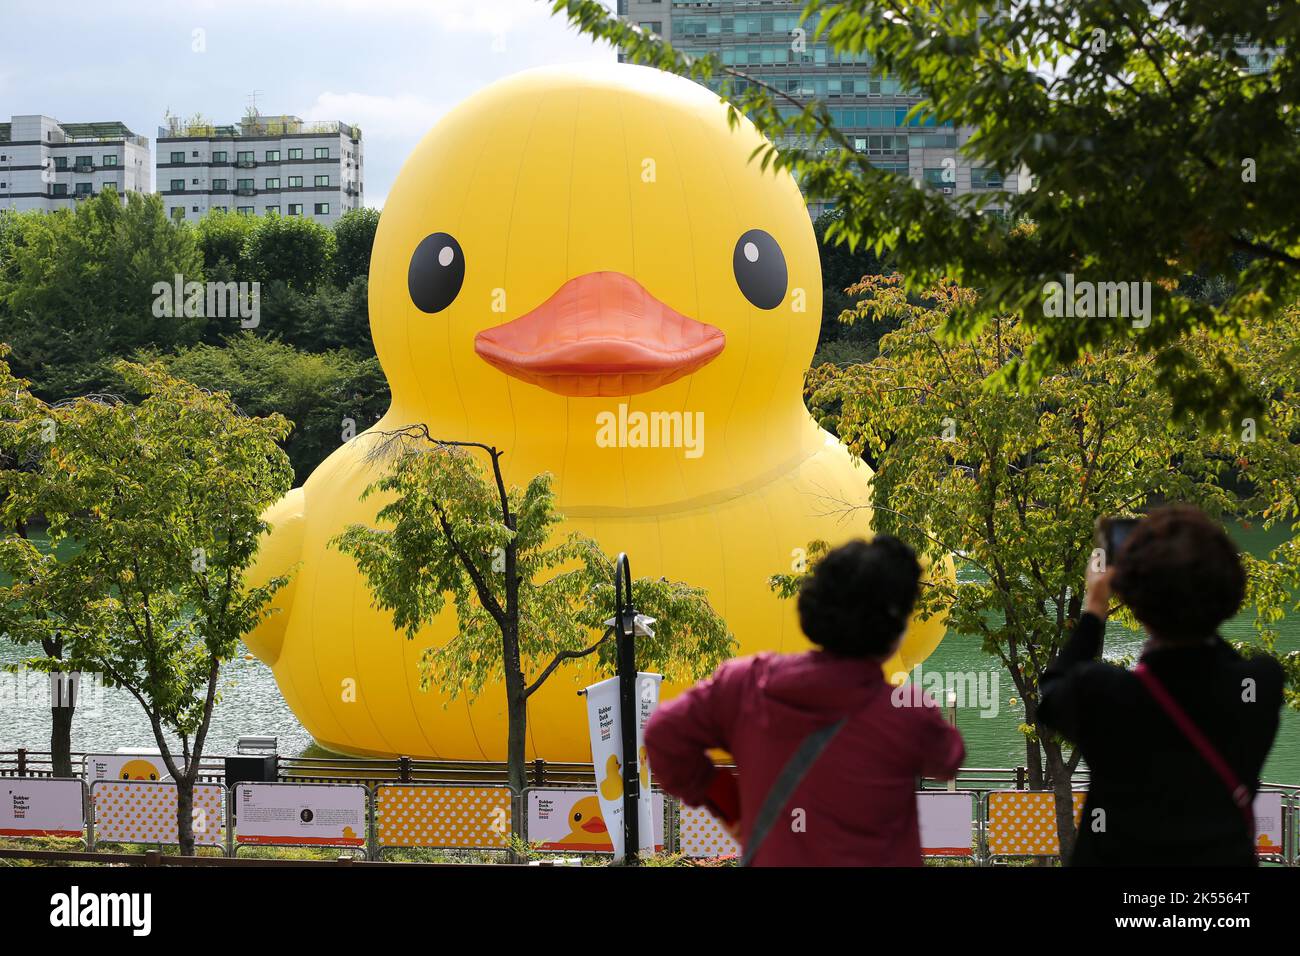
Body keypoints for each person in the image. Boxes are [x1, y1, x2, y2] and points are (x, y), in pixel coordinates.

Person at [644, 536, 964, 866]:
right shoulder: (905, 714)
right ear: (895, 632)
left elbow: (662, 734)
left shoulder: (745, 685)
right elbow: (948, 758)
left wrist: (729, 800)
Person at [1040, 505, 1285, 865]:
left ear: (1135, 603)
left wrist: (1095, 606)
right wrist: (1204, 605)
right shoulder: (1261, 683)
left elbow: (1051, 695)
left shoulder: (1104, 693)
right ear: (1232, 590)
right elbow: (1218, 659)